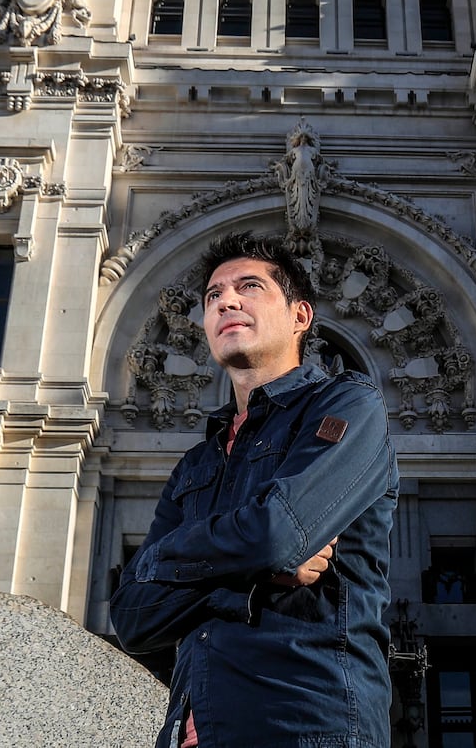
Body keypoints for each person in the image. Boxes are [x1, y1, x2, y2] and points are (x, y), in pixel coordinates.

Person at [111, 232, 399, 747]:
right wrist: (246, 579)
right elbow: (133, 615)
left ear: (300, 316)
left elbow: (276, 536)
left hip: (305, 726)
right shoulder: (196, 464)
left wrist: (166, 562)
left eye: (249, 286)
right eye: (213, 296)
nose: (227, 301)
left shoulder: (348, 406)